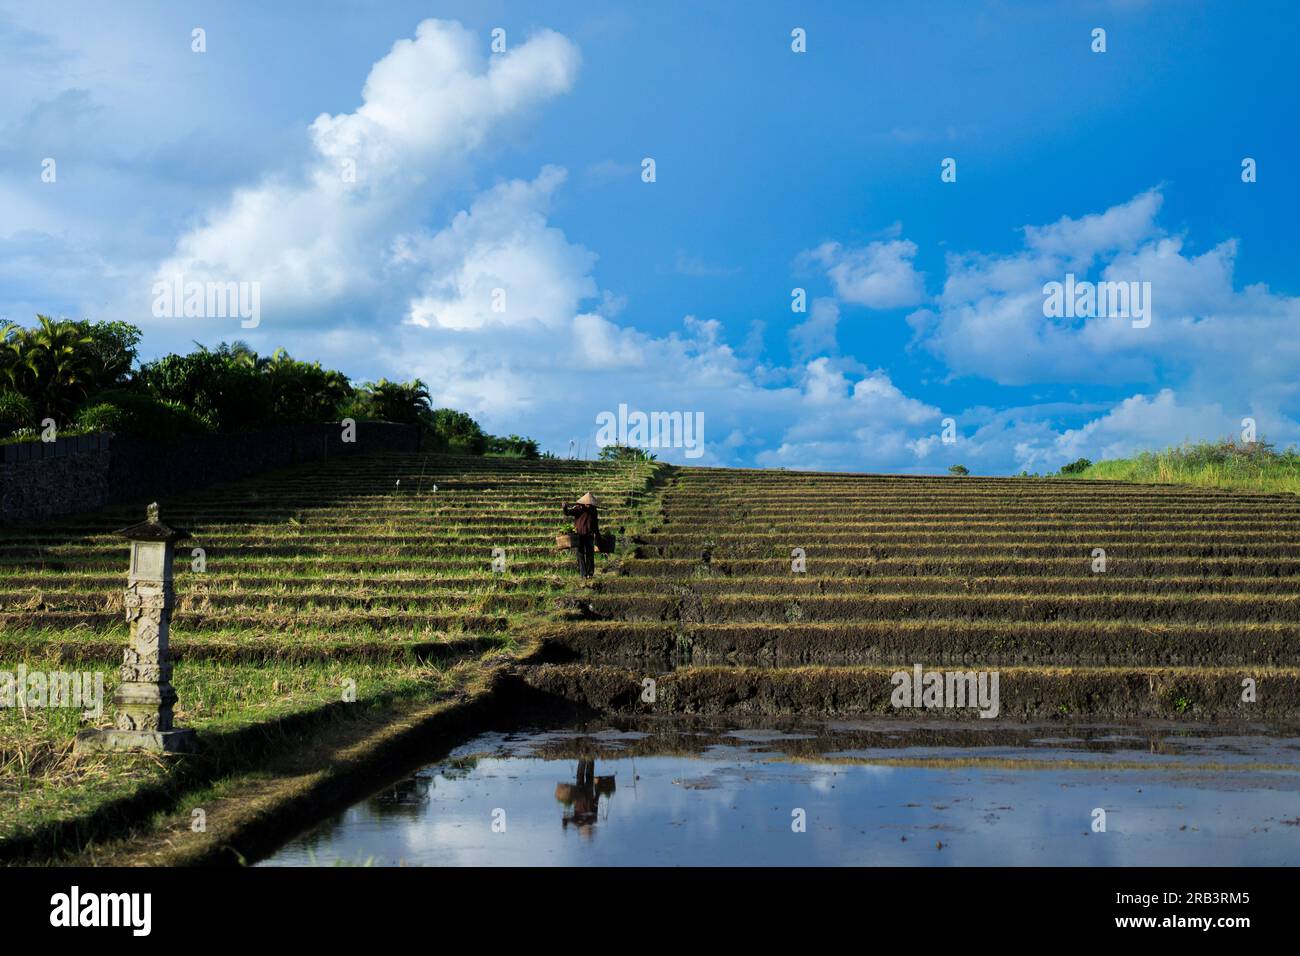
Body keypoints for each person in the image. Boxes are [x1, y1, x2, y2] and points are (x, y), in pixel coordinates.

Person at [563, 492, 600, 578]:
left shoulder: (593, 510)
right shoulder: (578, 508)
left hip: (589, 535)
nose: (588, 504)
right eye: (587, 503)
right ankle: (583, 574)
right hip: (579, 535)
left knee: (590, 554)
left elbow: (595, 524)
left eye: (590, 503)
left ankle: (590, 573)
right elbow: (568, 513)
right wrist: (565, 507)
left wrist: (597, 534)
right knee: (580, 554)